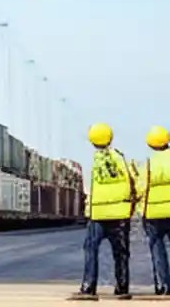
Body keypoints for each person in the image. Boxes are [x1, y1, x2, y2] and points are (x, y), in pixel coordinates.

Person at [79, 123, 135, 300]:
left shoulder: (92, 162)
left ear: (92, 141)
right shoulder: (120, 158)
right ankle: (122, 287)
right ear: (110, 138)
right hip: (120, 213)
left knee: (91, 249)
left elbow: (87, 190)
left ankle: (88, 286)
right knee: (121, 253)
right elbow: (132, 181)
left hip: (99, 214)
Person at [141, 126, 170, 295]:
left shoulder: (149, 163)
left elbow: (141, 187)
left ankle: (163, 286)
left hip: (154, 212)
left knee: (157, 249)